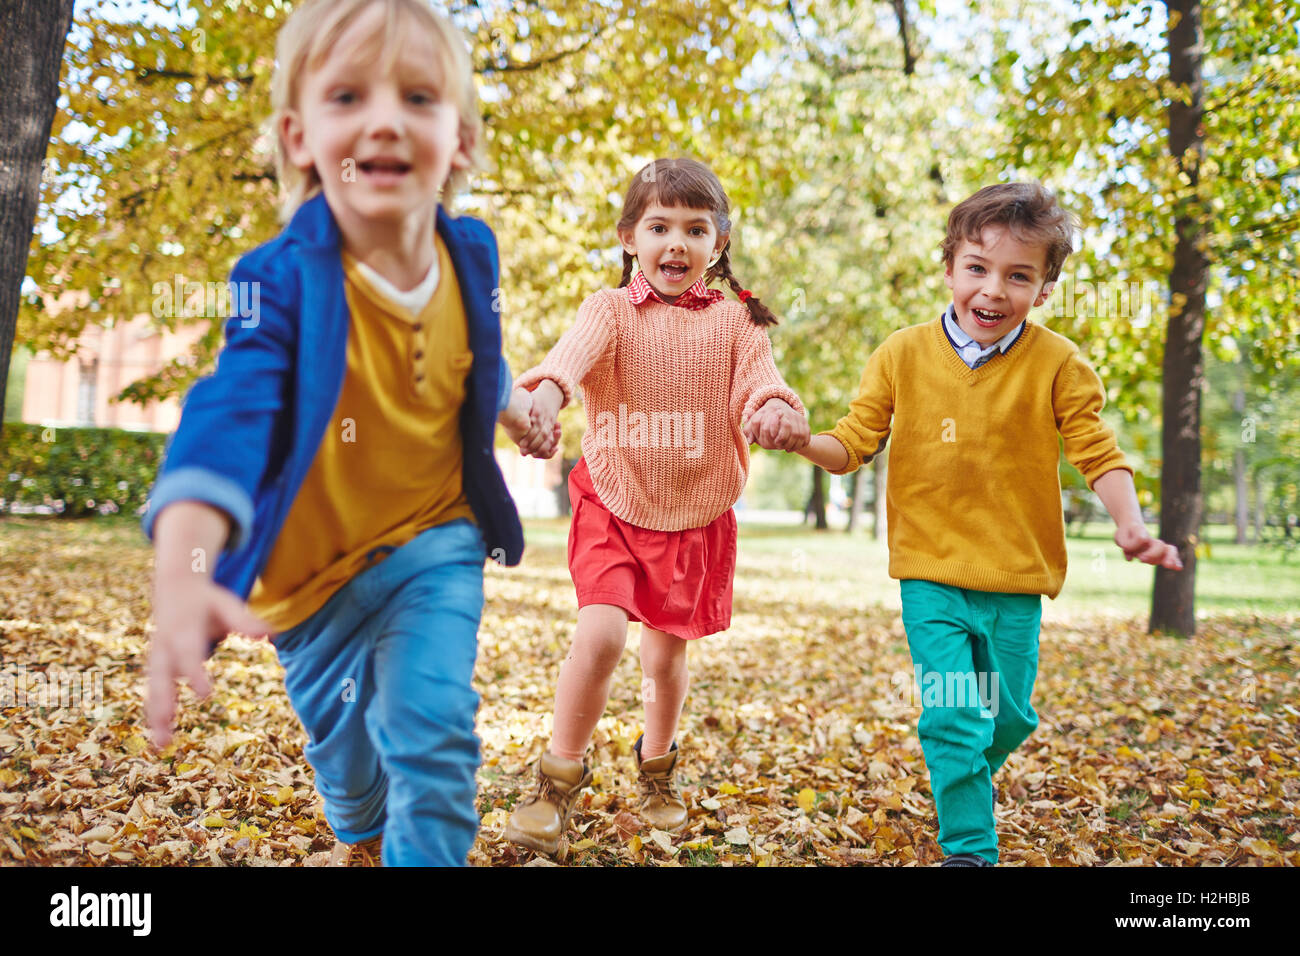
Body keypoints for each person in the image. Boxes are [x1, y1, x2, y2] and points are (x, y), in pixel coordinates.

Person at [141, 0, 553, 867]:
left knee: (430, 733)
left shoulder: (470, 254)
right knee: (352, 773)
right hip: (308, 584)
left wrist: (516, 411)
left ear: (460, 140)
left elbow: (476, 355)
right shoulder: (279, 279)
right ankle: (364, 836)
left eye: (416, 96)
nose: (382, 120)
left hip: (434, 545)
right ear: (298, 138)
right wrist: (184, 566)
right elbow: (229, 415)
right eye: (346, 98)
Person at [780, 182, 1183, 866]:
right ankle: (970, 845)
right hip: (930, 577)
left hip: (1017, 579)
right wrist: (798, 440)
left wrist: (1130, 524)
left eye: (1018, 276)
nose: (993, 290)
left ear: (1045, 290)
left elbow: (1097, 450)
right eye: (978, 268)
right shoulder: (902, 354)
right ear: (949, 269)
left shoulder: (1058, 364)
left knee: (1009, 716)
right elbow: (851, 445)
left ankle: (961, 771)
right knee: (952, 714)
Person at [505, 158, 809, 857]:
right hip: (613, 498)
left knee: (663, 661)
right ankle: (556, 780)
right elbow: (566, 364)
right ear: (629, 237)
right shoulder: (608, 310)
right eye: (659, 226)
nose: (677, 242)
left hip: (694, 515)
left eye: (695, 229)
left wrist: (772, 412)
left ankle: (656, 770)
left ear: (719, 244)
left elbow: (760, 384)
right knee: (604, 635)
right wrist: (541, 407)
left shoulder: (739, 322)